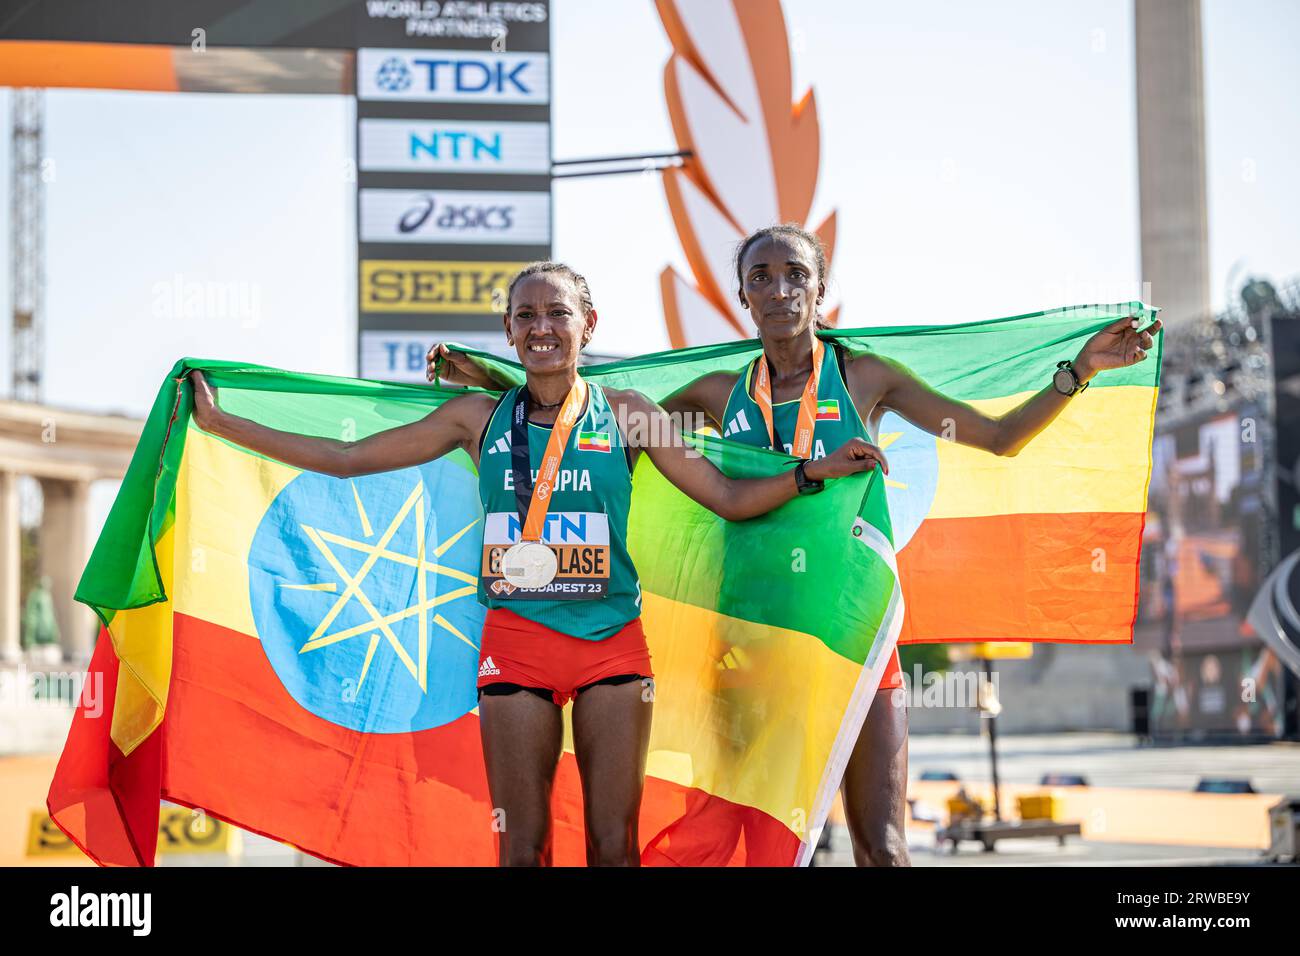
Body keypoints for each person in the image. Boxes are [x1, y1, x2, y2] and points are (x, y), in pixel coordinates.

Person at [431, 227, 1160, 866]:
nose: (780, 290)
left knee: (882, 844)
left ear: (821, 290)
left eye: (796, 275)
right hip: (749, 642)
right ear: (743, 297)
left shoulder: (863, 378)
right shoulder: (719, 392)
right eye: (761, 277)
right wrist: (496, 380)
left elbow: (997, 439)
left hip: (850, 637)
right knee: (755, 840)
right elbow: (589, 409)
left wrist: (1079, 373)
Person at [191, 260, 884, 867]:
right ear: (509, 330)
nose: (542, 326)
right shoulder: (475, 417)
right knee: (521, 849)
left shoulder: (631, 413)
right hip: (515, 649)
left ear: (588, 325)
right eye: (526, 315)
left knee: (614, 846)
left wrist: (810, 473)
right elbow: (346, 460)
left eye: (558, 313)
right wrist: (225, 425)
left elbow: (729, 496)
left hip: (612, 647)